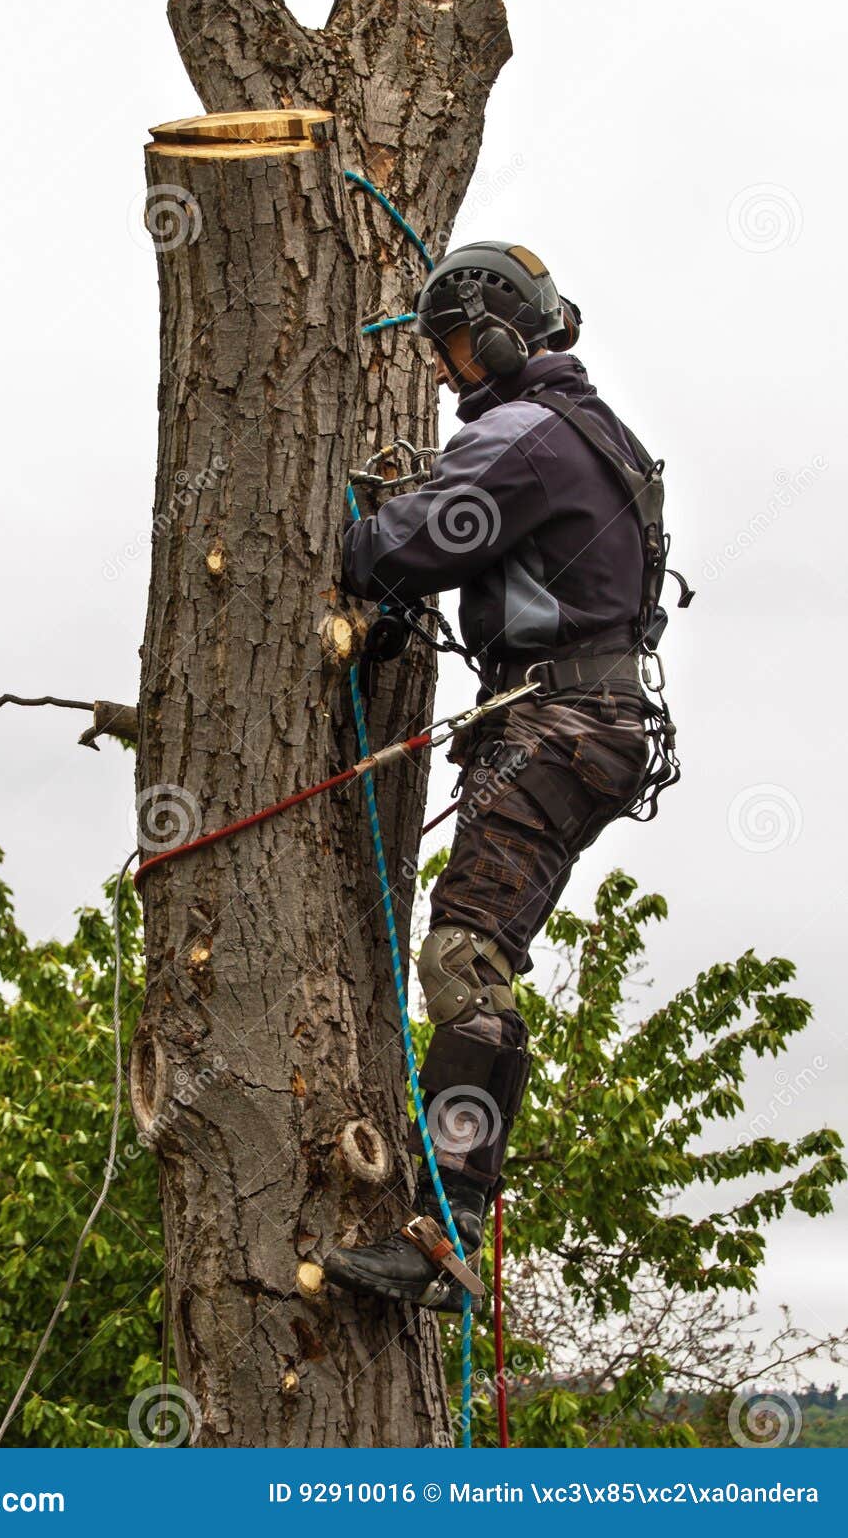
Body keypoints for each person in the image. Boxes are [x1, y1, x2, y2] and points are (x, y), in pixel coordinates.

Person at [324, 241, 687, 1311]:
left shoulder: (524, 437)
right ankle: (449, 1219)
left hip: (558, 722)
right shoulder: (585, 431)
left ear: (492, 336)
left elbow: (405, 545)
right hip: (583, 720)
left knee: (463, 960)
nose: (439, 373)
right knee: (471, 953)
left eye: (447, 349)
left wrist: (360, 536)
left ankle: (446, 1227)